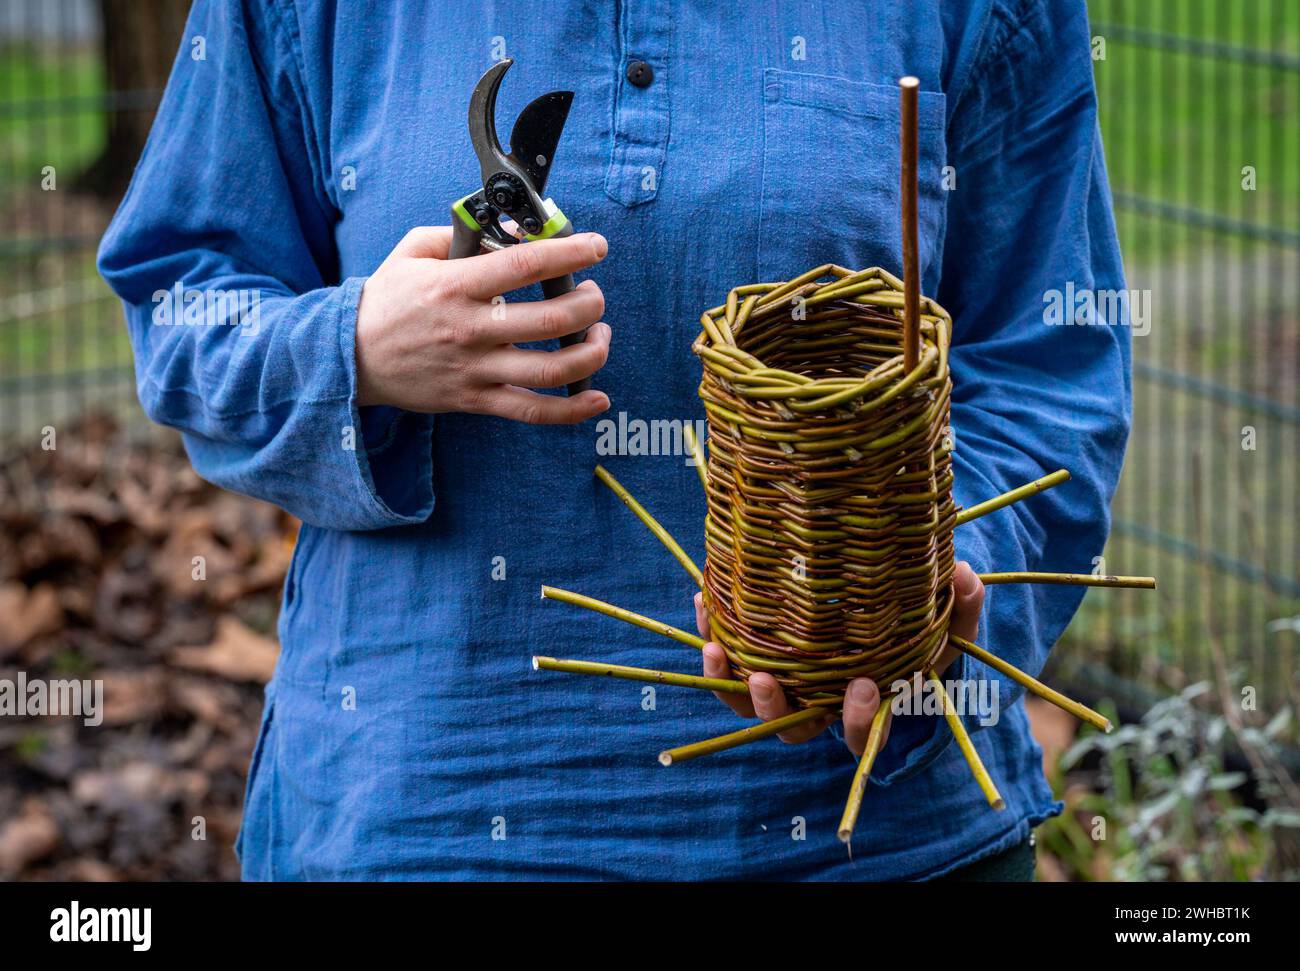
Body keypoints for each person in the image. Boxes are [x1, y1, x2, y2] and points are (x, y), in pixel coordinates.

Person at [98, 0, 1130, 880]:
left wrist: (941, 596)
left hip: (878, 838)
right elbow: (183, 309)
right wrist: (355, 348)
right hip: (425, 822)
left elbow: (1051, 366)